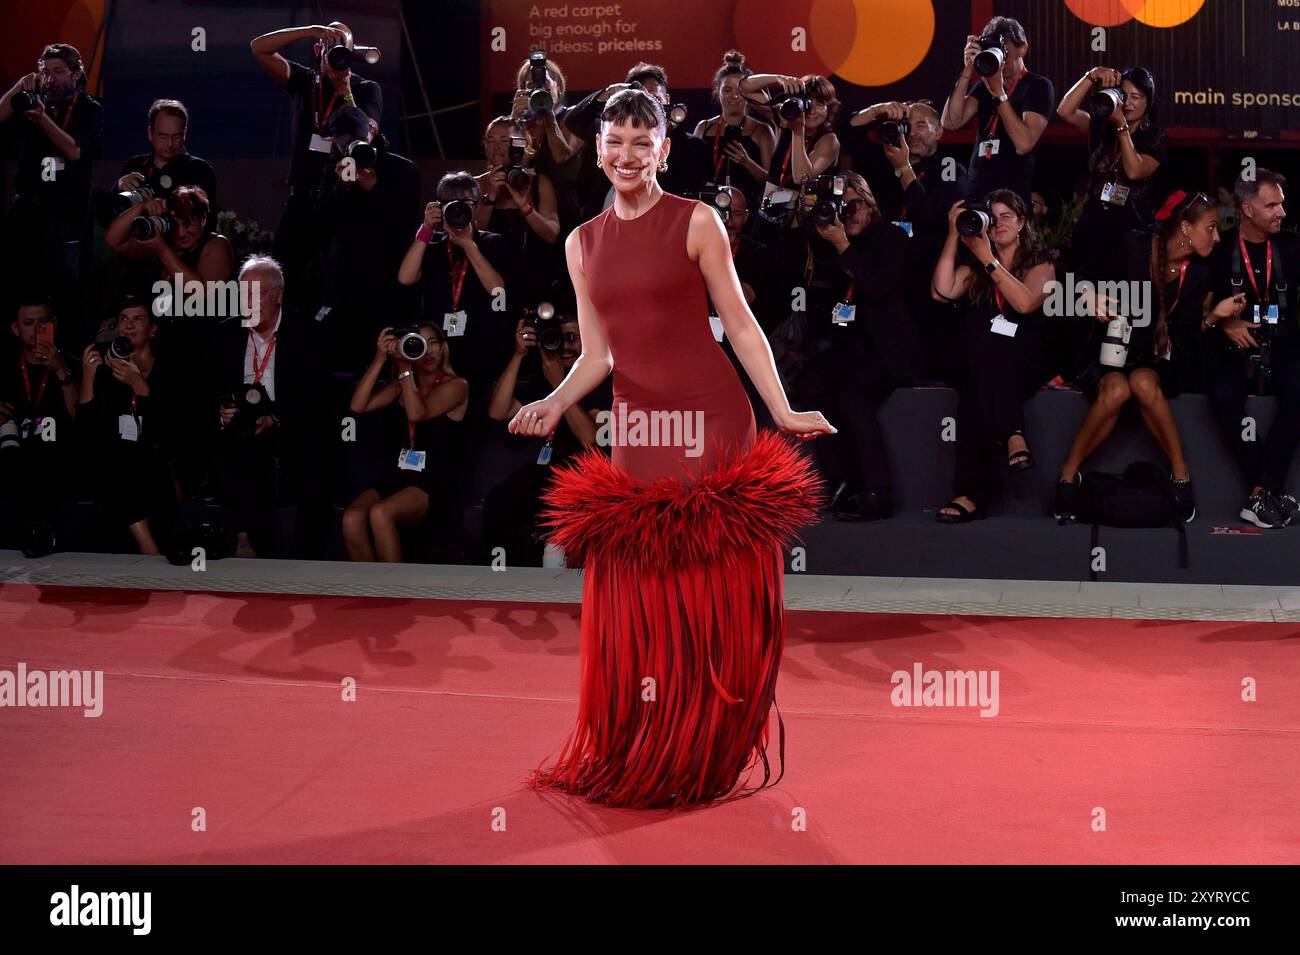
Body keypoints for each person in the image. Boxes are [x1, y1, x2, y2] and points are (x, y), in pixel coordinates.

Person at [509, 89, 832, 809]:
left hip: (713, 419)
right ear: (597, 149)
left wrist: (780, 408)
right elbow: (598, 353)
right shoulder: (580, 241)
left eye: (640, 141)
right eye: (613, 141)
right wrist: (556, 400)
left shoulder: (697, 221)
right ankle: (646, 747)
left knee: (707, 598)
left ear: (663, 149)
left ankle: (703, 750)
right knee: (641, 600)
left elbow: (742, 327)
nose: (626, 155)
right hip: (639, 427)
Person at [1053, 192, 1227, 524]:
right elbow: (1077, 270)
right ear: (1186, 228)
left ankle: (1181, 474)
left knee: (1144, 383)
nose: (1217, 237)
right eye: (1211, 227)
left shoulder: (1200, 274)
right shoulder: (1134, 246)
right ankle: (1067, 476)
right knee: (1117, 390)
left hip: (1155, 357)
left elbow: (1188, 338)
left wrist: (1214, 317)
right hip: (1110, 347)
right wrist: (1087, 292)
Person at [768, 171, 924, 520]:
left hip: (888, 350)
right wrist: (806, 224)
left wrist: (842, 245)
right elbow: (796, 273)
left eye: (853, 205)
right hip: (848, 346)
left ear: (870, 204)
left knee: (852, 393)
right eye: (839, 207)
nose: (846, 215)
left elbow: (878, 287)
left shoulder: (892, 238)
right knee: (810, 383)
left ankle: (878, 491)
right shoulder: (828, 242)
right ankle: (842, 479)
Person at [931, 191, 1055, 522]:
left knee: (980, 373)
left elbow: (1026, 303)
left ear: (1022, 223)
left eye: (1006, 217)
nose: (998, 224)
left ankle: (970, 495)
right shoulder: (975, 263)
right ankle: (1014, 435)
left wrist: (990, 259)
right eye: (992, 217)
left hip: (1023, 362)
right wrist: (953, 235)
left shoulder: (1041, 263)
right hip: (982, 364)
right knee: (981, 349)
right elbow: (941, 291)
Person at [249, 20, 382, 291]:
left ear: (352, 52)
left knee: (338, 284)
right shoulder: (304, 82)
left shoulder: (366, 88)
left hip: (344, 200)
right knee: (283, 281)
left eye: (340, 48)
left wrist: (344, 89)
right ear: (318, 49)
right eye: (329, 47)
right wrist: (311, 30)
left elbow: (367, 136)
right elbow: (258, 48)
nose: (335, 54)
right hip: (303, 199)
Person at [1203, 169, 1300, 528]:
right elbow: (1199, 304)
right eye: (1271, 205)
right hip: (1233, 347)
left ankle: (1260, 493)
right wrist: (1226, 323)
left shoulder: (1291, 246)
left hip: (1284, 345)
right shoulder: (1221, 248)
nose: (1281, 213)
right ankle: (1271, 493)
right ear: (1247, 209)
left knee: (1298, 395)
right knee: (1225, 395)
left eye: (1282, 205)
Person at [482, 311, 611, 566]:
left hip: (585, 474)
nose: (565, 346)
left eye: (573, 338)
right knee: (500, 500)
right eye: (558, 338)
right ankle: (506, 578)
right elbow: (498, 410)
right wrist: (519, 355)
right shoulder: (545, 376)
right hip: (549, 472)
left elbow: (590, 439)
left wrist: (559, 386)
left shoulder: (601, 382)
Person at [0, 43, 103, 339]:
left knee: (65, 293)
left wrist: (41, 117)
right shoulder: (28, 103)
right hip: (27, 214)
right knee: (19, 288)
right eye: (46, 72)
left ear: (76, 73)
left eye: (59, 71)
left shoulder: (89, 109)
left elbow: (73, 151)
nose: (50, 78)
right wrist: (18, 88)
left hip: (66, 218)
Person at [343, 322, 469, 562]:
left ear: (443, 348)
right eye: (420, 344)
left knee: (380, 513)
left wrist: (403, 369)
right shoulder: (401, 385)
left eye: (433, 343)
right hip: (399, 475)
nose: (429, 351)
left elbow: (416, 414)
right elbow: (358, 405)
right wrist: (381, 358)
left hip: (433, 480)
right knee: (352, 518)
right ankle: (369, 590)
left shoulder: (456, 385)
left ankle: (395, 590)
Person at [397, 173, 512, 423]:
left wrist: (469, 245)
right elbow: (405, 278)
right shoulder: (430, 243)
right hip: (435, 352)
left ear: (477, 206)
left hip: (479, 348)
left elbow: (497, 291)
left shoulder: (492, 242)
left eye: (465, 203)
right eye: (450, 202)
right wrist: (426, 229)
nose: (458, 208)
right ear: (439, 206)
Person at [77, 297, 176, 555]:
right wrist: (88, 378)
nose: (129, 326)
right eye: (123, 319)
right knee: (111, 459)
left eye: (138, 319)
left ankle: (147, 544)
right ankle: (148, 545)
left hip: (155, 461)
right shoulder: (107, 372)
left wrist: (139, 386)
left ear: (153, 329)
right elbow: (86, 431)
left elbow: (170, 431)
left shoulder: (169, 369)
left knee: (121, 462)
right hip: (114, 463)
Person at [1056, 65, 1166, 287]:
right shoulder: (1101, 128)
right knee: (1083, 299)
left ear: (1148, 102)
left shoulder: (1155, 137)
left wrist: (1121, 125)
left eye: (1137, 97)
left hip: (1131, 230)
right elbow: (1064, 111)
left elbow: (1135, 171)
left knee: (1126, 308)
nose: (1130, 103)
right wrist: (1092, 75)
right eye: (1125, 96)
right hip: (1094, 224)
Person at [941, 16, 1052, 206]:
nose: (1001, 59)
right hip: (976, 192)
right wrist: (968, 69)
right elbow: (950, 121)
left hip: (1011, 197)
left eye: (1004, 52)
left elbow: (1024, 143)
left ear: (1023, 48)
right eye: (994, 51)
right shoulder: (984, 86)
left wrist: (999, 93)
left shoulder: (1038, 86)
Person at [0, 298, 79, 555]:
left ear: (54, 323)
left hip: (58, 466)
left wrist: (61, 372)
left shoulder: (72, 363)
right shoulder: (4, 367)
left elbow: (82, 420)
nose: (36, 329)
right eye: (28, 323)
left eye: (43, 322)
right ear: (15, 328)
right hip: (11, 463)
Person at [692, 51, 776, 209]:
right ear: (718, 92)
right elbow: (692, 174)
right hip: (711, 207)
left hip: (750, 209)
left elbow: (773, 185)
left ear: (748, 94)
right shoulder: (704, 127)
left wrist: (748, 163)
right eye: (727, 90)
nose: (734, 96)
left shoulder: (762, 130)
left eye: (739, 90)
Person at [739, 72, 841, 194]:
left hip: (804, 209)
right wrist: (779, 79)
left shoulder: (829, 141)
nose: (812, 111)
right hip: (772, 204)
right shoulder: (784, 120)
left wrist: (798, 131)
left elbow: (802, 179)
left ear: (829, 108)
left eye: (819, 104)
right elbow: (744, 88)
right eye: (807, 104)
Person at [113, 99, 218, 212]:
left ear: (184, 134)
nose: (170, 144)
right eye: (163, 136)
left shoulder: (200, 170)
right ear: (150, 133)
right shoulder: (134, 166)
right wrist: (118, 188)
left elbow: (208, 221)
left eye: (176, 137)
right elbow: (107, 219)